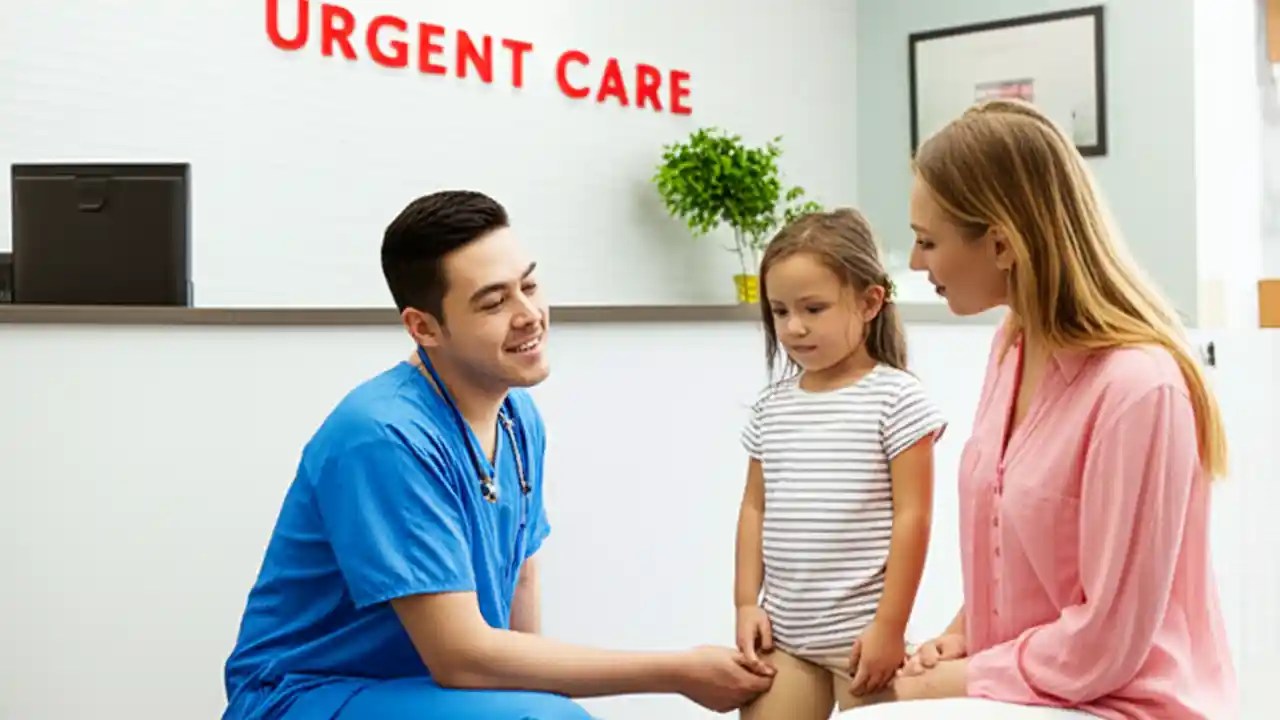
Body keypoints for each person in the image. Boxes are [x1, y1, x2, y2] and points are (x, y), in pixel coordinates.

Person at [220, 190, 775, 720]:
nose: (529, 314)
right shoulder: (383, 437)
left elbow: (520, 591)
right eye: (494, 301)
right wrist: (676, 672)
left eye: (529, 286)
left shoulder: (516, 418)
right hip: (307, 699)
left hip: (427, 694)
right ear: (424, 327)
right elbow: (462, 656)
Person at [877, 98, 1238, 718]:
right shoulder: (1012, 346)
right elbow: (1018, 550)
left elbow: (1106, 643)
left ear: (1000, 244)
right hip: (1034, 694)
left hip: (1125, 704)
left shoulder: (1138, 388)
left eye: (926, 241)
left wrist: (962, 678)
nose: (915, 264)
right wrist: (963, 634)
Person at [733, 209, 947, 719]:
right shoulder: (771, 406)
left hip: (864, 640)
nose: (793, 327)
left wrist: (890, 630)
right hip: (784, 640)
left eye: (814, 308)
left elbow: (912, 519)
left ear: (871, 301)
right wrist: (746, 602)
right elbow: (754, 509)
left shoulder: (897, 399)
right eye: (780, 311)